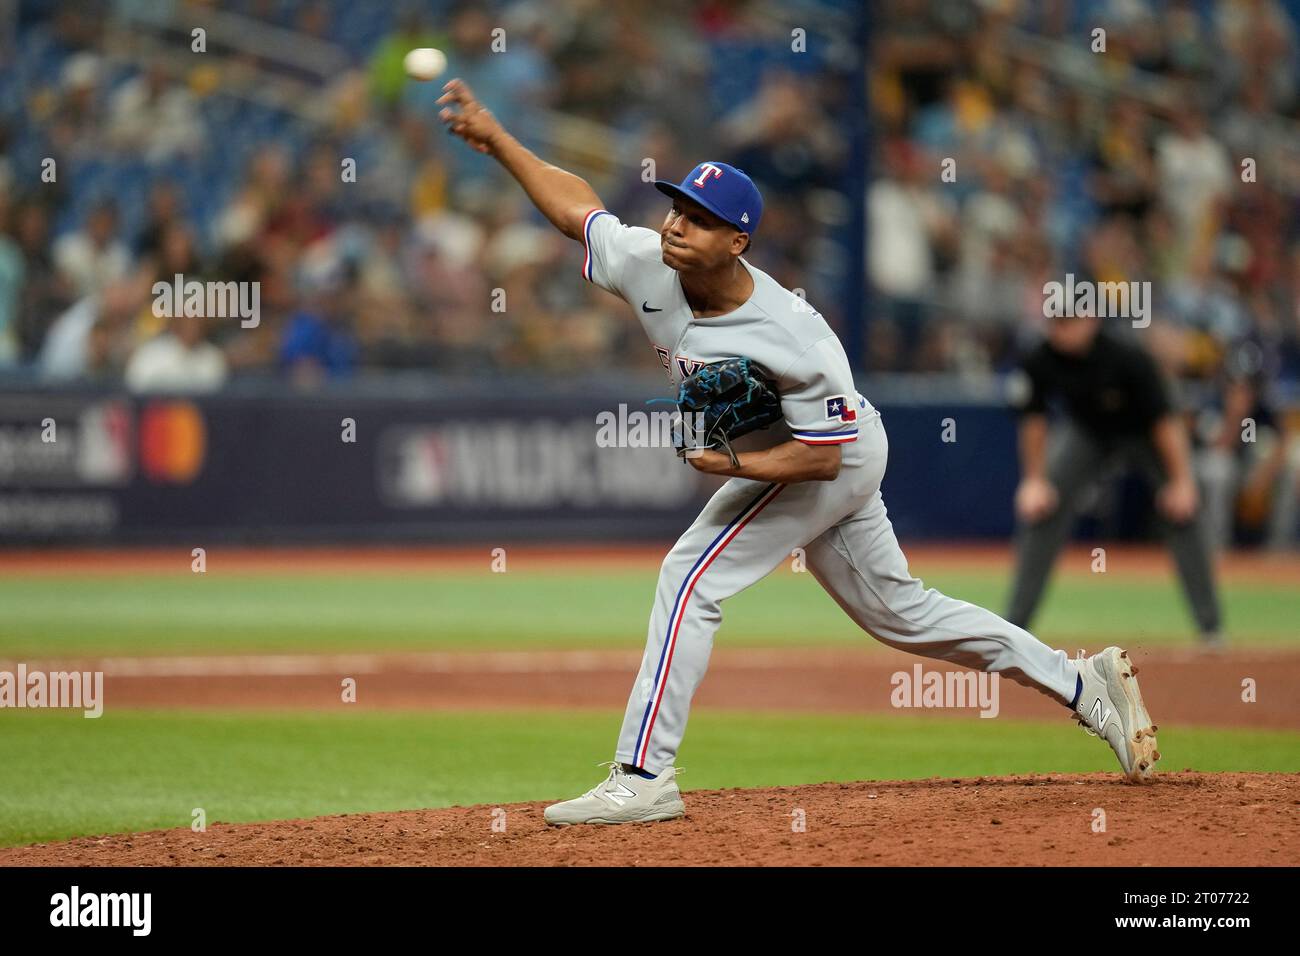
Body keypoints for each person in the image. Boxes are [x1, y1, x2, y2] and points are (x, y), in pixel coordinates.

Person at [437, 78, 1161, 826]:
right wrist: (498, 142)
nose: (678, 225)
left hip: (828, 456)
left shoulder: (794, 336)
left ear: (738, 241)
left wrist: (735, 467)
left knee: (691, 576)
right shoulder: (651, 260)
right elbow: (575, 208)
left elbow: (822, 459)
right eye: (678, 207)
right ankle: (1084, 683)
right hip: (812, 451)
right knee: (900, 614)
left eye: (702, 219)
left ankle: (644, 774)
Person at [1006, 312, 1224, 646]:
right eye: (1055, 322)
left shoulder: (1127, 359)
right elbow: (1033, 419)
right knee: (1042, 507)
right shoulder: (1041, 357)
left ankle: (1211, 630)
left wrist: (1182, 481)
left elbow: (1165, 424)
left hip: (1143, 433)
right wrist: (1034, 480)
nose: (1060, 330)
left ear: (1091, 321)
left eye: (1069, 321)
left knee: (1182, 510)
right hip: (1087, 432)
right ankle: (1015, 628)